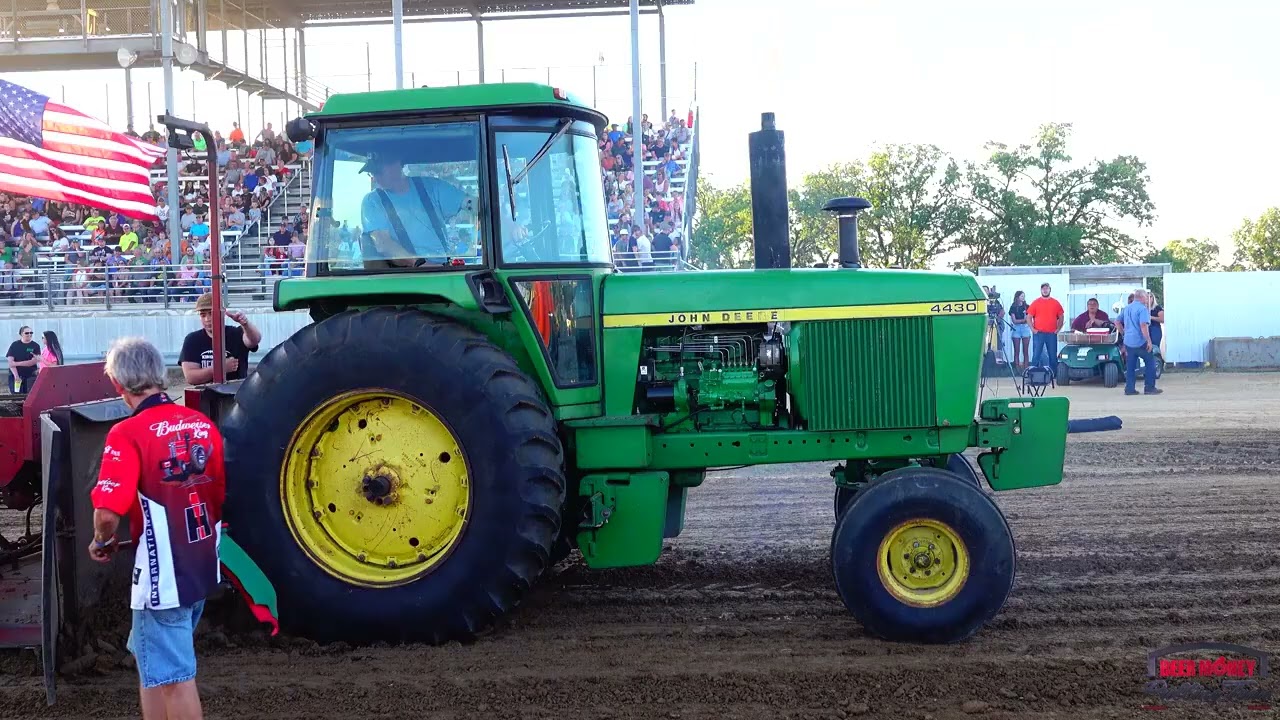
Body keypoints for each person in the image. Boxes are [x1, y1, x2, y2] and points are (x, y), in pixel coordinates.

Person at [89, 337, 225, 720]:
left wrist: (102, 540)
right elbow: (219, 493)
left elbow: (106, 513)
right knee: (151, 662)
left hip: (162, 573)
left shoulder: (128, 433)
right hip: (200, 564)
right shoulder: (201, 425)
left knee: (175, 678)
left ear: (118, 384)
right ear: (159, 375)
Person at [358, 153, 472, 268]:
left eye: (379, 172)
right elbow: (383, 243)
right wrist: (418, 263)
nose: (376, 178)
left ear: (397, 164)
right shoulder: (372, 201)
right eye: (372, 173)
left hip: (442, 268)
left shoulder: (431, 187)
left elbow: (470, 203)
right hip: (407, 274)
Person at [179, 292, 262, 383]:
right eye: (203, 315)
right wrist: (220, 368)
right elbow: (191, 377)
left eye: (211, 313)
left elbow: (254, 340)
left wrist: (245, 324)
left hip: (234, 394)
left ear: (222, 313)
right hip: (205, 394)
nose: (207, 319)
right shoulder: (192, 340)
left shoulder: (236, 334)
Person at [1119, 289, 1161, 396]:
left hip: (1128, 342)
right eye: (1146, 297)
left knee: (1131, 366)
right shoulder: (1143, 309)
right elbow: (1143, 325)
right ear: (1142, 297)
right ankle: (1149, 387)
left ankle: (1129, 389)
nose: (1147, 299)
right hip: (1140, 341)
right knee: (1150, 362)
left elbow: (1117, 321)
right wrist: (1148, 341)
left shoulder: (1127, 308)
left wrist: (1124, 333)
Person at [1026, 283, 1065, 369]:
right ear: (1041, 290)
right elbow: (1028, 317)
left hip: (1051, 333)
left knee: (1052, 355)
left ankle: (1053, 375)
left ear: (1050, 290)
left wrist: (1058, 328)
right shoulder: (1035, 302)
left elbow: (1061, 316)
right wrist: (1032, 329)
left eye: (1047, 288)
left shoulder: (1055, 303)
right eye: (1043, 289)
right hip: (1038, 333)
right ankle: (1033, 374)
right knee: (1036, 355)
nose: (1045, 290)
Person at [6, 326, 40, 393]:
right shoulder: (15, 345)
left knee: (29, 395)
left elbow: (32, 362)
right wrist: (16, 376)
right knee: (16, 395)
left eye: (31, 333)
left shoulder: (35, 346)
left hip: (30, 375)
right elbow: (10, 362)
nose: (29, 334)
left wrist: (16, 363)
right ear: (21, 334)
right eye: (27, 333)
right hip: (15, 375)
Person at [1007, 291, 1031, 369]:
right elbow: (1014, 321)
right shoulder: (1013, 307)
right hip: (1016, 328)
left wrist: (1023, 320)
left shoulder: (1027, 306)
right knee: (1016, 350)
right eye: (1021, 296)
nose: (1023, 298)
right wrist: (1023, 320)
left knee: (1025, 350)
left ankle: (1026, 367)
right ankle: (1017, 367)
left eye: (1024, 296)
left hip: (1025, 328)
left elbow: (1029, 318)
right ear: (1017, 297)